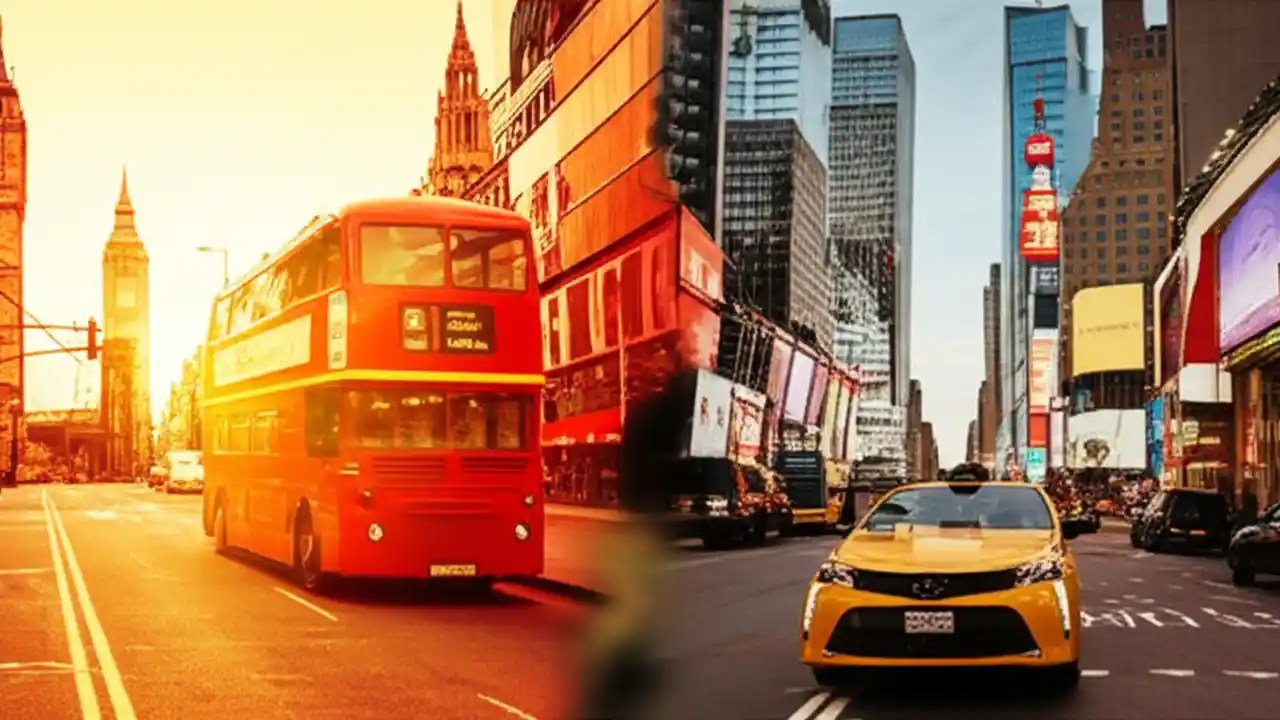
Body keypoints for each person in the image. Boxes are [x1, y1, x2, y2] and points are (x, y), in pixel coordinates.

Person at [575, 368, 697, 720]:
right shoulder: (659, 420)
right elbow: (660, 471)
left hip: (640, 521)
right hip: (641, 523)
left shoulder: (649, 418)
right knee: (632, 606)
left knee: (636, 605)